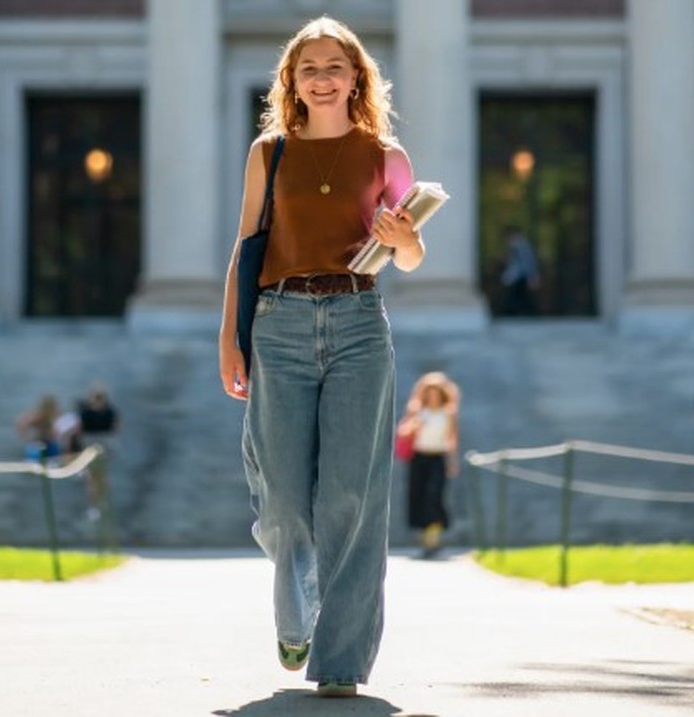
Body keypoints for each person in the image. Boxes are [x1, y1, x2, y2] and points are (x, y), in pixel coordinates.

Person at [218, 16, 425, 698]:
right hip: (278, 322)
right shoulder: (269, 152)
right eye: (310, 67)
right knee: (281, 494)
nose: (324, 76)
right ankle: (296, 603)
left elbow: (414, 255)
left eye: (336, 64)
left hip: (359, 322)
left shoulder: (384, 155)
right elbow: (247, 247)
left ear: (356, 75)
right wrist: (231, 338)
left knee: (351, 496)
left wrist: (399, 237)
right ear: (293, 82)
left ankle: (340, 661)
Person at [396, 372, 460, 557]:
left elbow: (452, 438)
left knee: (434, 496)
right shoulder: (417, 410)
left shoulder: (448, 412)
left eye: (436, 393)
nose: (433, 397)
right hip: (419, 458)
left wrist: (452, 461)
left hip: (437, 457)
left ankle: (434, 539)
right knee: (419, 498)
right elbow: (403, 431)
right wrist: (416, 424)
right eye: (429, 393)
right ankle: (427, 541)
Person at [76, 383, 120, 519]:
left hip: (90, 444)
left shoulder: (85, 412)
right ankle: (102, 501)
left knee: (91, 479)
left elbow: (80, 430)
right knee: (103, 475)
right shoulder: (111, 411)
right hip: (105, 444)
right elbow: (116, 428)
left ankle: (93, 507)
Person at [500, 225, 540, 316]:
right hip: (519, 276)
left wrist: (532, 276)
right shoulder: (520, 245)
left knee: (516, 297)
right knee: (521, 297)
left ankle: (515, 313)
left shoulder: (519, 246)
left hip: (519, 276)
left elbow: (527, 262)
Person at [16, 394, 63, 463]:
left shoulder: (53, 416)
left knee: (54, 456)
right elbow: (21, 423)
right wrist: (26, 439)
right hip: (39, 444)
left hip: (49, 444)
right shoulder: (39, 417)